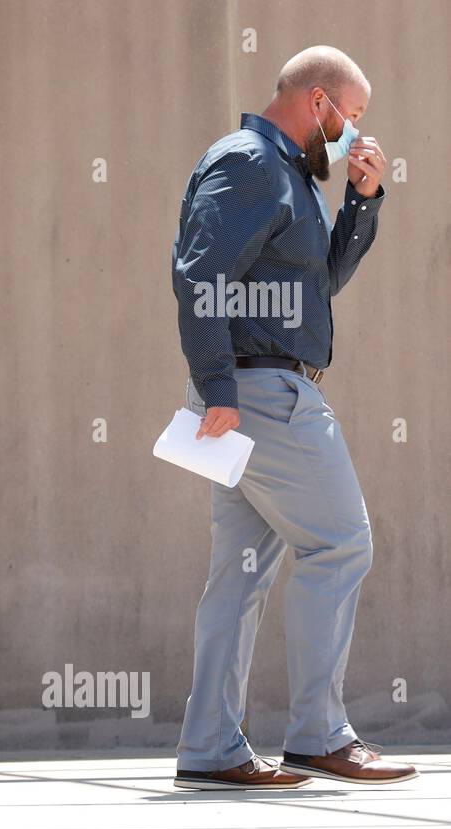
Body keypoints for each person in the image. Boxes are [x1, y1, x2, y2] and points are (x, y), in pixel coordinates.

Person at [170, 48, 417, 789]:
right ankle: (319, 733)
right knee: (341, 543)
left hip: (252, 394)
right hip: (261, 394)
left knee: (239, 577)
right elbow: (201, 275)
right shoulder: (250, 163)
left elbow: (320, 285)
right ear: (319, 102)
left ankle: (212, 747)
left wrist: (362, 202)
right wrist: (216, 387)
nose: (354, 135)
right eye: (353, 118)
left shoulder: (290, 175)